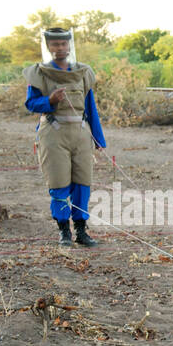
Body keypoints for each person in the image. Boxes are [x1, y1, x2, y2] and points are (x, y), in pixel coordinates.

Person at [24, 27, 105, 247]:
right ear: (48, 47)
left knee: (82, 183)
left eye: (63, 44)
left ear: (69, 45)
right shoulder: (39, 73)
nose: (60, 48)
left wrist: (99, 139)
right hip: (53, 133)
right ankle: (64, 232)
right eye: (55, 45)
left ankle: (81, 231)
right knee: (59, 183)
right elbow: (31, 104)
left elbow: (90, 107)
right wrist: (49, 100)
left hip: (80, 134)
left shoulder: (83, 73)